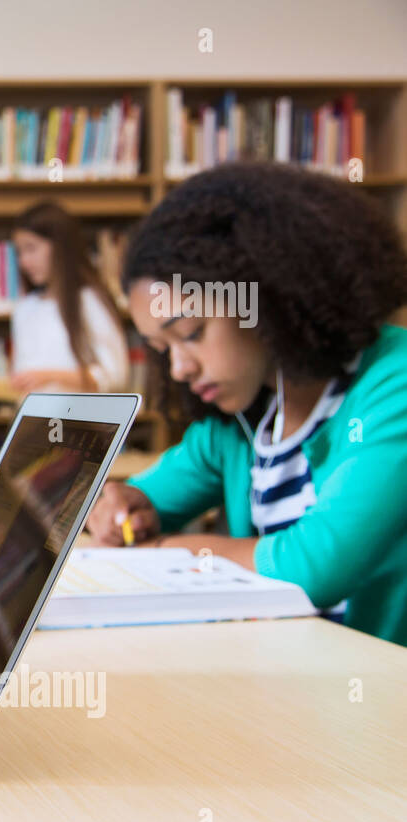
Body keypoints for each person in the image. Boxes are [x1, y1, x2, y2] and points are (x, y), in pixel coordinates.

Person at [84, 162, 407, 646]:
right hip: (280, 683)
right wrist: (120, 506)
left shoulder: (392, 382)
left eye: (190, 333)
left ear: (265, 293)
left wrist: (164, 549)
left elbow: (313, 568)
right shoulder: (244, 414)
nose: (179, 369)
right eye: (161, 349)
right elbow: (147, 498)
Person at [9, 201, 130, 394]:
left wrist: (51, 377)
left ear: (60, 247)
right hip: (34, 419)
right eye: (19, 252)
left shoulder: (89, 302)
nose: (24, 261)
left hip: (79, 420)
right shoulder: (25, 308)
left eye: (31, 249)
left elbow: (115, 376)